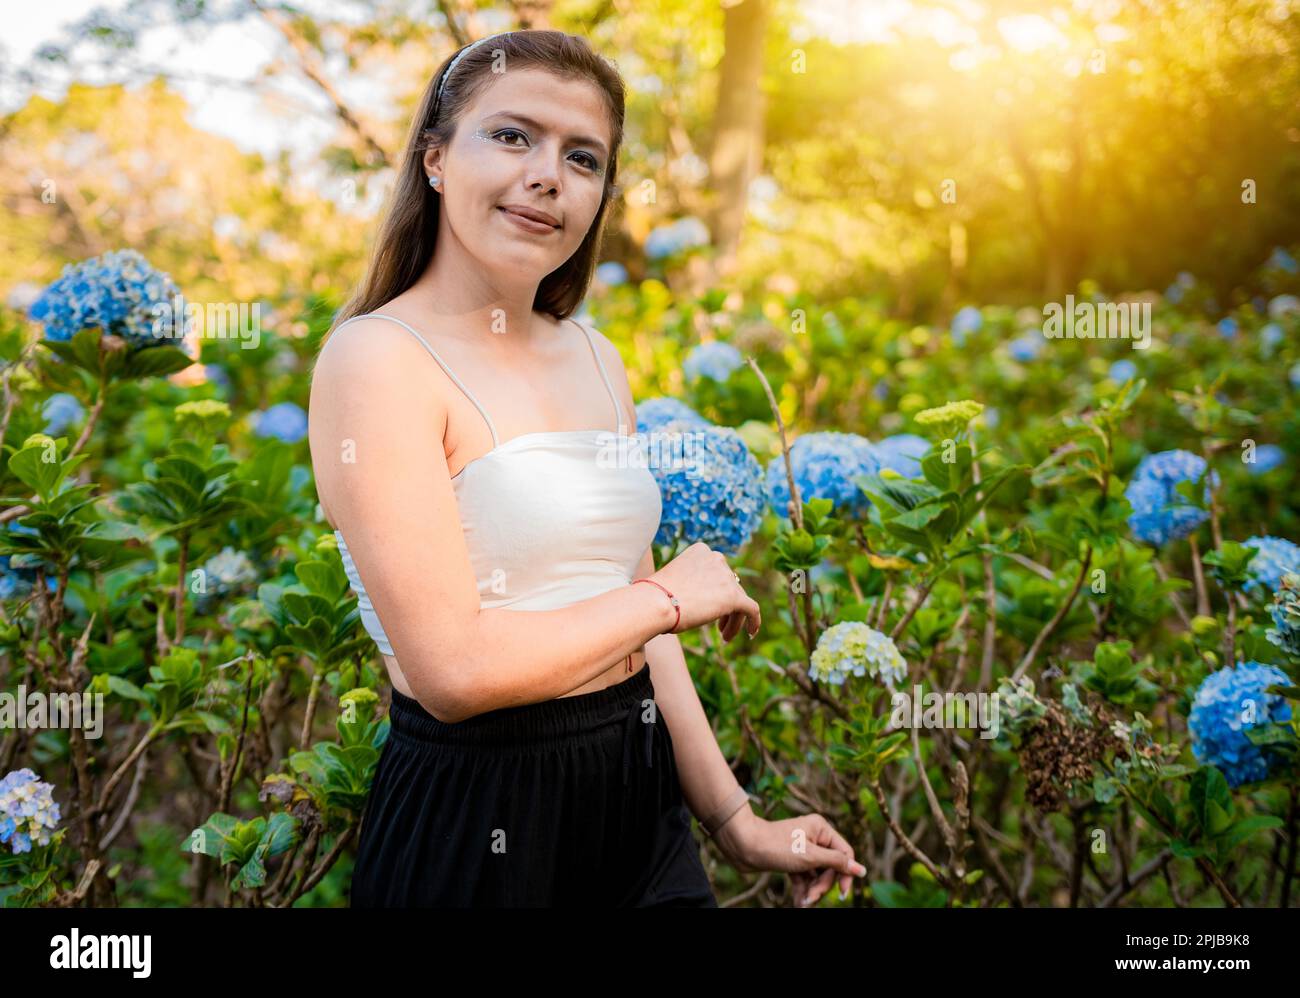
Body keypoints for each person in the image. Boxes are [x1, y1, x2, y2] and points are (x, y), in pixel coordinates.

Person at [308, 27, 864, 907]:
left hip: (638, 798)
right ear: (436, 159)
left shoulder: (597, 356)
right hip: (480, 810)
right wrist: (669, 600)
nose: (548, 175)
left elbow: (633, 613)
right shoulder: (376, 360)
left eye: (583, 157)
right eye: (512, 135)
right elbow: (453, 674)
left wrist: (735, 821)